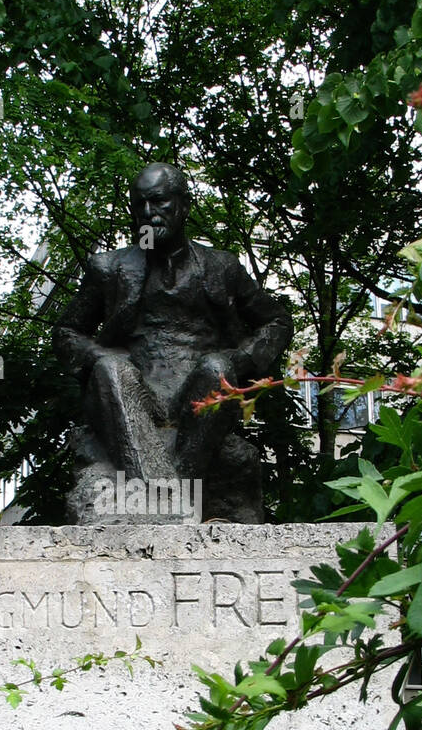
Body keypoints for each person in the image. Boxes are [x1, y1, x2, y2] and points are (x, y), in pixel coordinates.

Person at [54, 162, 293, 521]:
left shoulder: (220, 267)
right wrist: (99, 354)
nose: (149, 214)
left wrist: (242, 360)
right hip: (132, 393)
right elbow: (66, 332)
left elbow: (277, 320)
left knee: (219, 368)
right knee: (110, 368)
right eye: (140, 205)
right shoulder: (110, 268)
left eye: (159, 202)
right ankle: (169, 502)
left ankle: (164, 499)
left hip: (199, 394)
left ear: (184, 205)